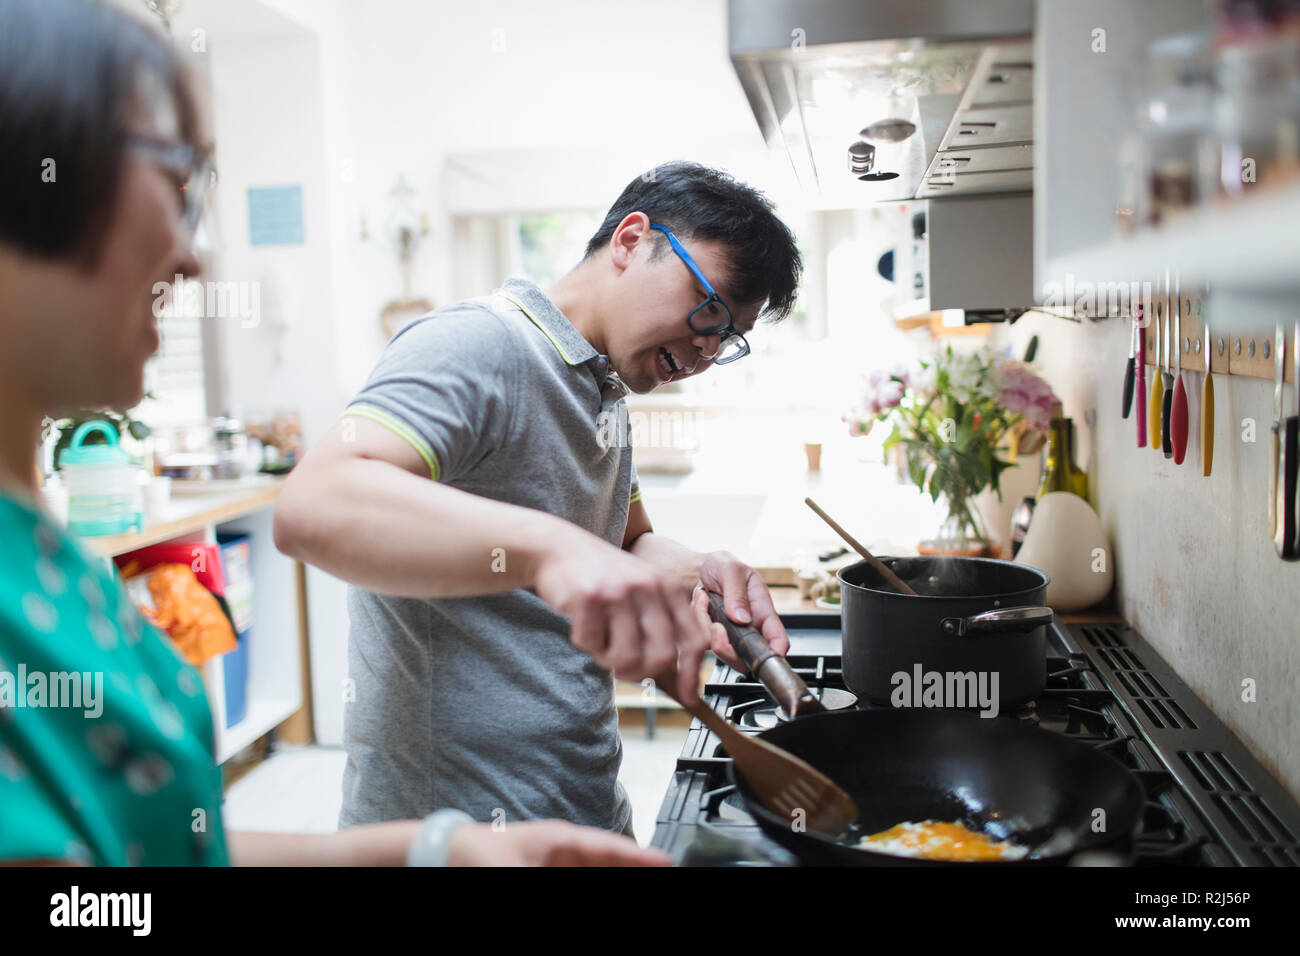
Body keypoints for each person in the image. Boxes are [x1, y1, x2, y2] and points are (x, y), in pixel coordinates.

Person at [0, 0, 666, 867]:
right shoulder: (475, 344)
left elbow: (158, 847)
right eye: (176, 180)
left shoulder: (42, 550)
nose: (197, 254)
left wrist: (434, 852)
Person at [273, 161, 804, 835]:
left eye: (728, 337)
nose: (705, 347)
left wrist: (701, 569)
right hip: (454, 836)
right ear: (632, 240)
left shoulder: (604, 387)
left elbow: (625, 542)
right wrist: (544, 548)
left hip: (579, 806)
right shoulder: (480, 344)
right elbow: (315, 504)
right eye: (708, 306)